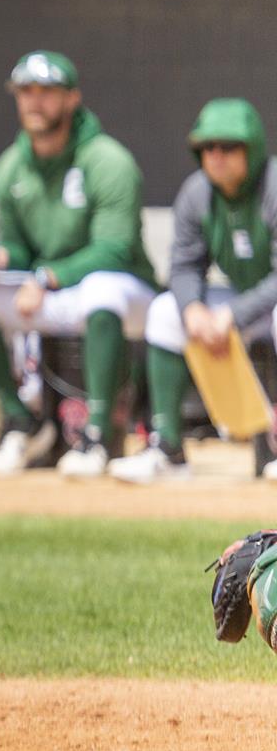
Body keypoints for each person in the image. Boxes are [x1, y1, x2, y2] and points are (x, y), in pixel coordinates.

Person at [0, 51, 155, 478]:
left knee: (102, 287)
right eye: (25, 92)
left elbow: (115, 248)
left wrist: (46, 276)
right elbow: (16, 246)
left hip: (127, 295)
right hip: (51, 293)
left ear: (72, 99)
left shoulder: (107, 159)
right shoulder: (12, 165)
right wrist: (1, 257)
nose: (35, 102)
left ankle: (96, 435)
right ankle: (21, 421)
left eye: (47, 92)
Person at [111, 100, 277, 485]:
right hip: (244, 303)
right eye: (208, 148)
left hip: (264, 306)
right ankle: (167, 448)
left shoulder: (272, 185)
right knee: (167, 311)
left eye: (228, 147)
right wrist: (193, 309)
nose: (216, 156)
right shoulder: (197, 192)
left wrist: (231, 315)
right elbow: (184, 265)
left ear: (250, 149)